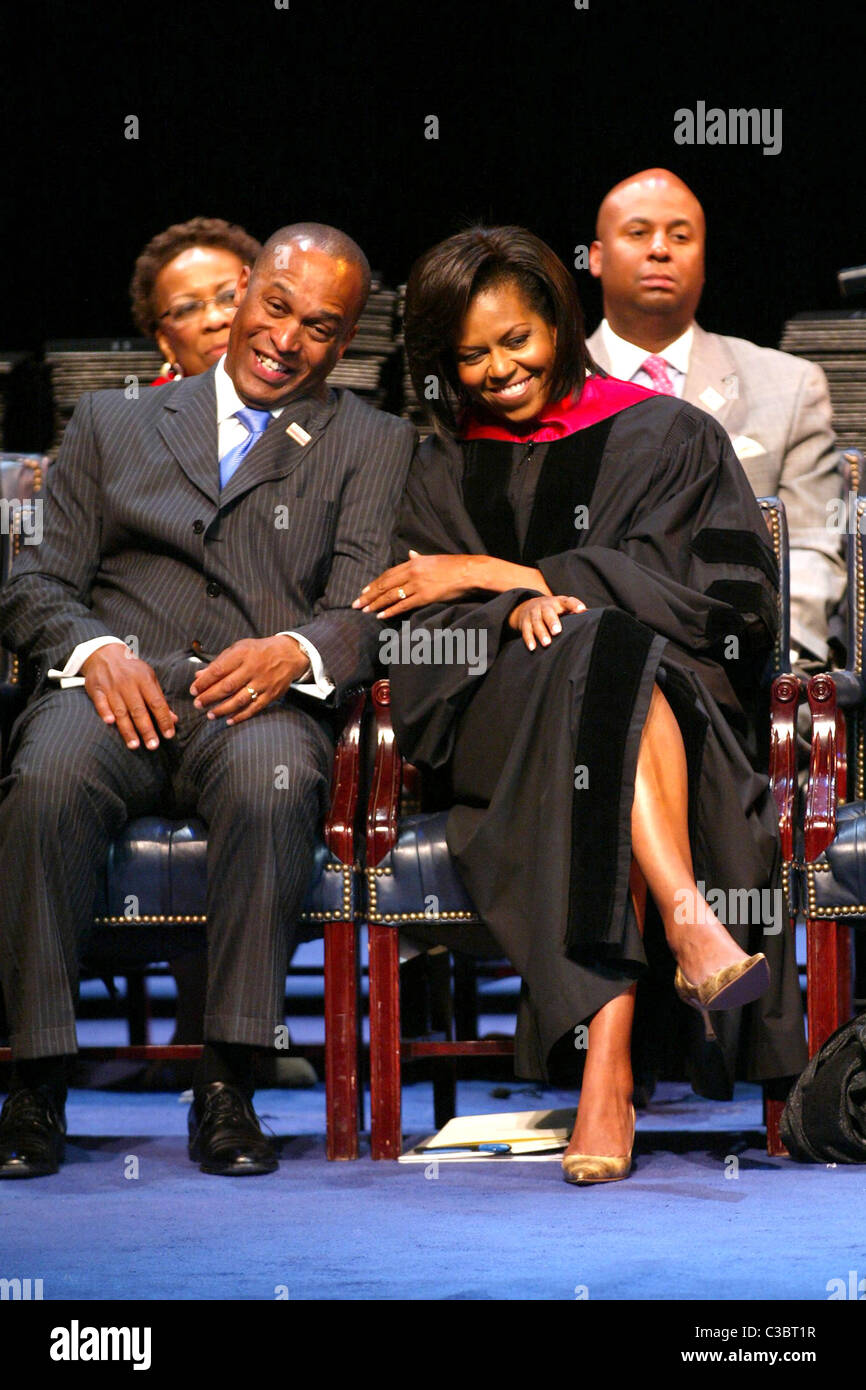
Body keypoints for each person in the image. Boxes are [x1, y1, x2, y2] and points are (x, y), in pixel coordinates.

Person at [355, 225, 807, 1185]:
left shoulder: (670, 432)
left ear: (558, 321)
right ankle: (690, 925)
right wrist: (509, 605)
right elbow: (410, 636)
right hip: (499, 724)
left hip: (672, 710)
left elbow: (735, 613)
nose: (498, 371)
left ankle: (608, 1067)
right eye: (470, 355)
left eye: (516, 341)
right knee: (593, 646)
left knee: (605, 644)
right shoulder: (436, 467)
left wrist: (515, 572)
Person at [0, 222, 416, 1178]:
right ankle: (37, 1084)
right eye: (276, 308)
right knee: (46, 779)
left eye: (321, 327)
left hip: (258, 701)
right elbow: (35, 585)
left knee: (275, 784)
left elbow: (367, 606)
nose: (287, 339)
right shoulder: (113, 422)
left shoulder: (371, 440)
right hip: (119, 691)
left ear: (344, 343)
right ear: (242, 302)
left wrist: (299, 648)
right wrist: (95, 650)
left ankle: (228, 1082)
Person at [586, 167, 844, 668]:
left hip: (739, 665)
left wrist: (774, 654)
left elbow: (811, 550)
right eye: (638, 233)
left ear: (703, 262)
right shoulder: (548, 386)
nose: (660, 249)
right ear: (596, 257)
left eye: (680, 236)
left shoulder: (789, 387)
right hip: (580, 661)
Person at [130, 216, 262, 382]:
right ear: (166, 343)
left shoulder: (304, 398)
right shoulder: (145, 408)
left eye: (230, 296)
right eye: (187, 308)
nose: (214, 320)